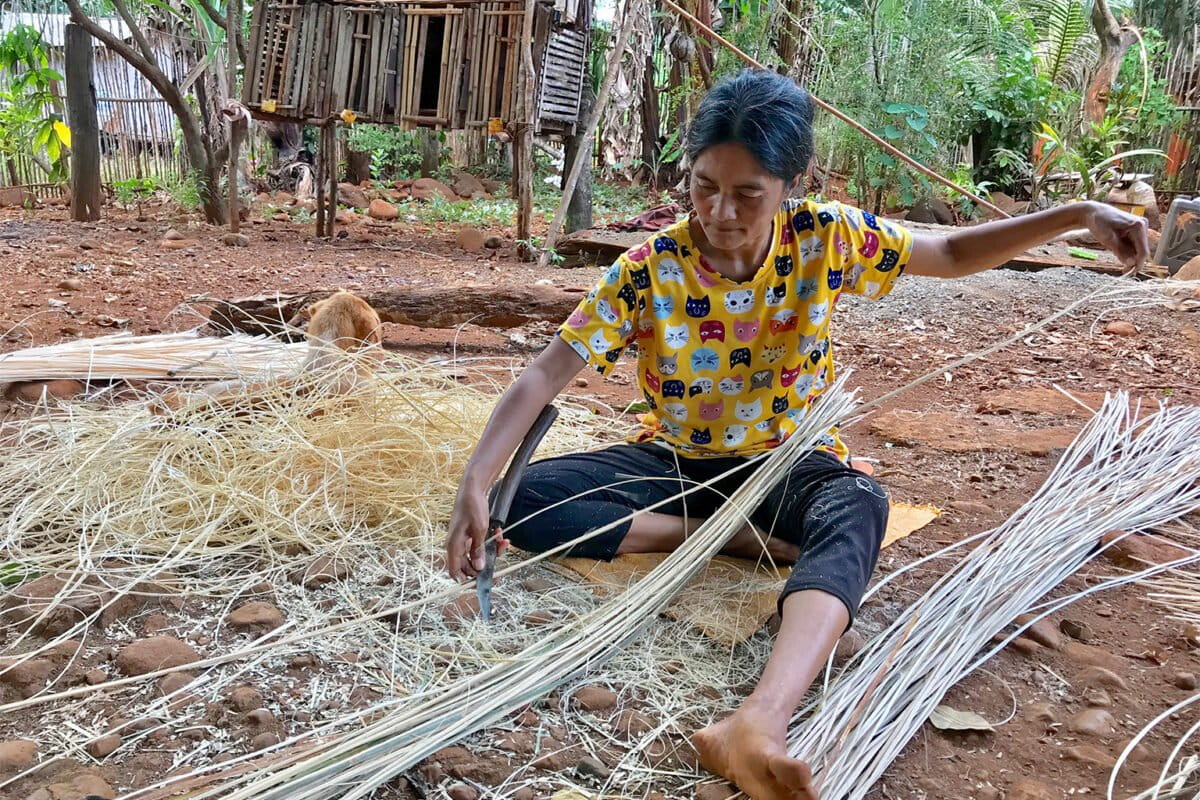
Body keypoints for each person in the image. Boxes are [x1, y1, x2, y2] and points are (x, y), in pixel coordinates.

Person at [445, 69, 1149, 800]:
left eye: (748, 193)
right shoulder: (647, 271)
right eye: (704, 185)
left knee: (859, 507)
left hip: (790, 461)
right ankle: (714, 534)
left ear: (791, 185)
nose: (720, 211)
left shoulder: (827, 236)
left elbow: (949, 254)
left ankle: (757, 723)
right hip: (678, 462)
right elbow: (544, 375)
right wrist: (475, 481)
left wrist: (1077, 214)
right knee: (517, 500)